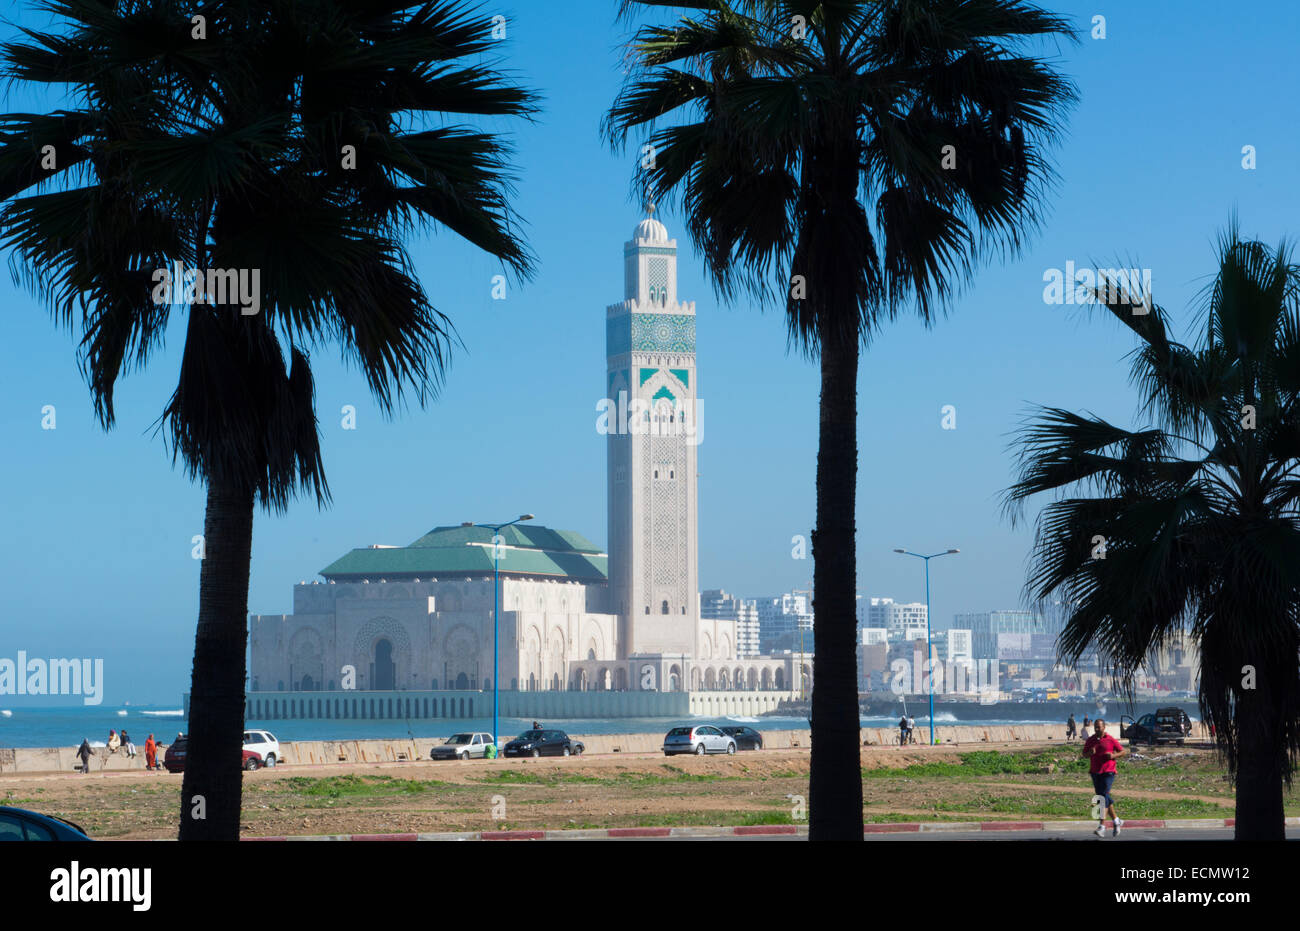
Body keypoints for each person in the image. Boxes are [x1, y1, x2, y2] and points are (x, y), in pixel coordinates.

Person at [1082, 718, 1126, 837]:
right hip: (1095, 772)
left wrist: (1113, 755)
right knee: (1103, 797)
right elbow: (1084, 754)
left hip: (1108, 772)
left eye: (1099, 727)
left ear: (1104, 727)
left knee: (1102, 797)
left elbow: (1123, 752)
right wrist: (1089, 753)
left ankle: (1102, 826)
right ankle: (1117, 821)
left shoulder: (1110, 739)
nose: (1096, 729)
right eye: (1095, 727)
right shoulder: (1091, 740)